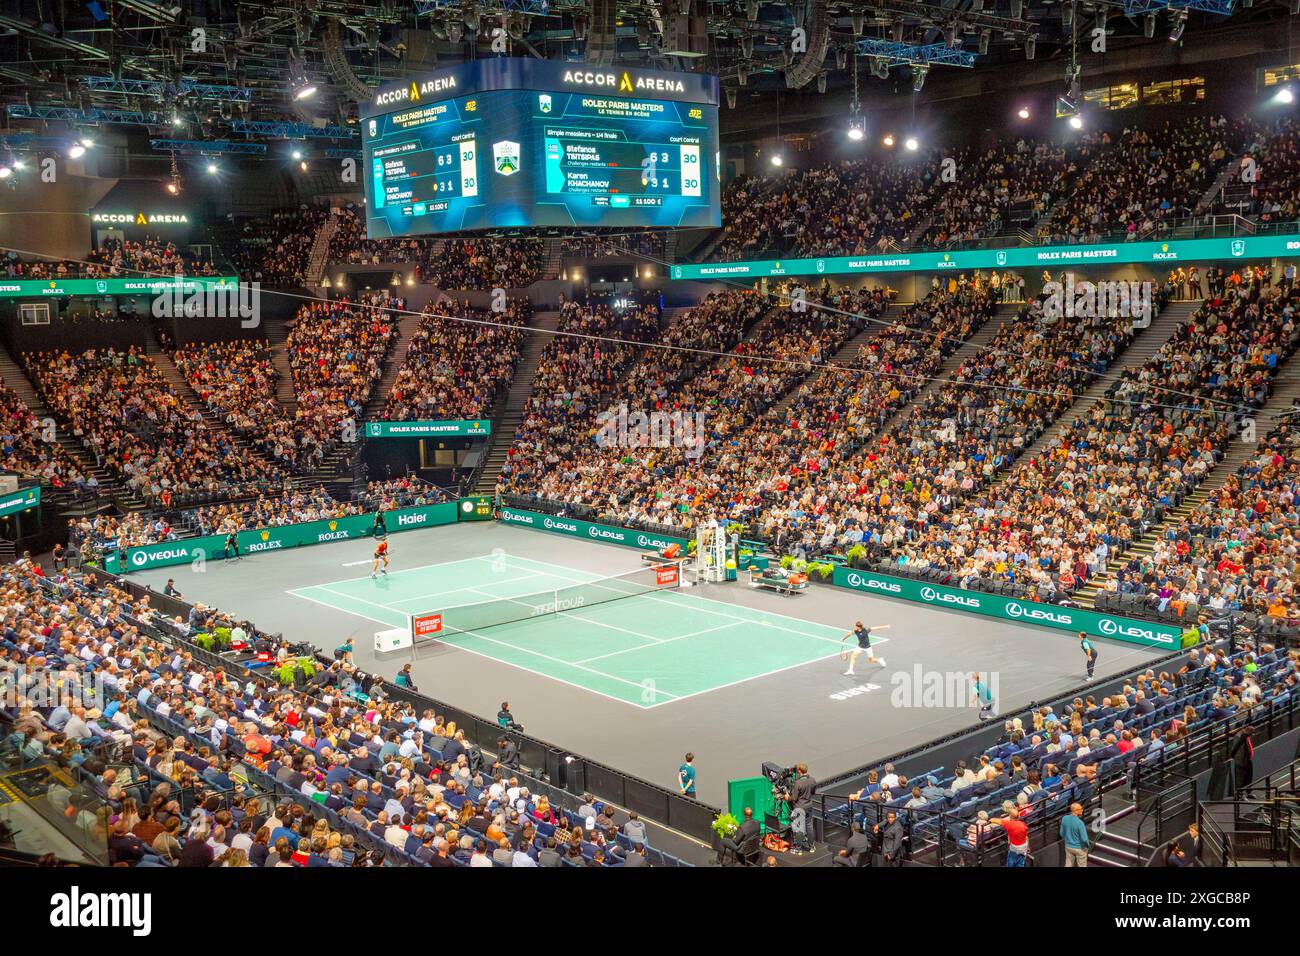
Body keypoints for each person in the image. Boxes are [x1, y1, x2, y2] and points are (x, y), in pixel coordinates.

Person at [789, 763, 816, 853]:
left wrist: (786, 797)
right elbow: (813, 792)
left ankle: (798, 849)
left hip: (799, 808)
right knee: (809, 826)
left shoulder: (798, 783)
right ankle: (812, 847)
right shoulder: (812, 780)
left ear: (799, 771)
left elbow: (793, 798)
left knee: (798, 828)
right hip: (809, 806)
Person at [1059, 801, 1090, 867]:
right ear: (1076, 811)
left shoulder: (1064, 818)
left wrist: (1068, 840)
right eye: (1080, 809)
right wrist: (1087, 845)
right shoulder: (1080, 823)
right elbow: (1084, 839)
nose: (1082, 810)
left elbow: (1061, 833)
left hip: (1068, 846)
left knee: (1068, 864)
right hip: (1080, 848)